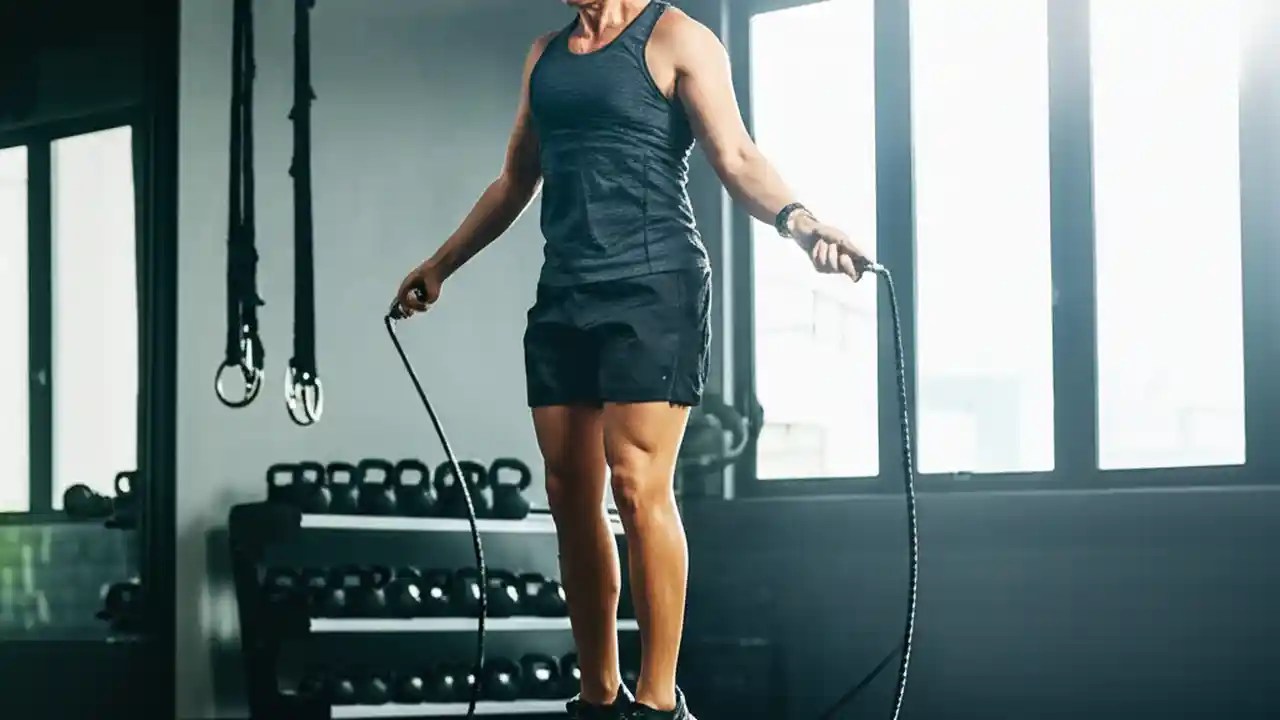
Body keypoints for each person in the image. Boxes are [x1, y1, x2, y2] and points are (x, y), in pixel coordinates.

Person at [393, 1, 871, 718]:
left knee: (636, 484)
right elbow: (515, 179)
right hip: (566, 290)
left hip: (654, 285)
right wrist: (440, 265)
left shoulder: (677, 38)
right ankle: (597, 696)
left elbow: (737, 156)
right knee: (567, 490)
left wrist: (802, 227)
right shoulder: (545, 56)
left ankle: (657, 702)